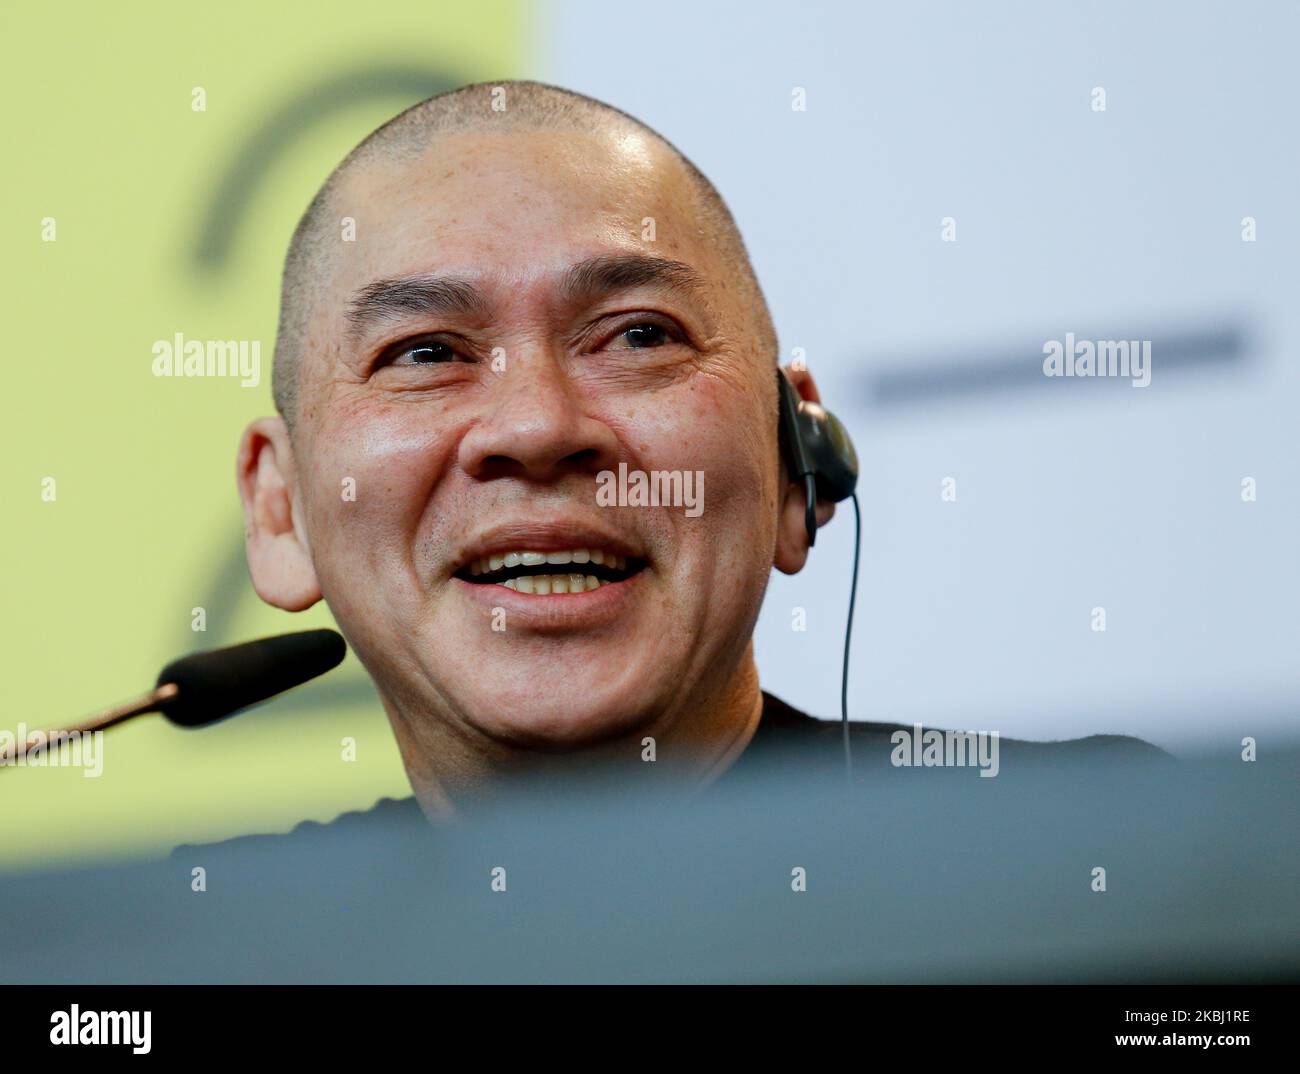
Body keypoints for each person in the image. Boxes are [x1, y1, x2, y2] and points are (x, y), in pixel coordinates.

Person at [231, 80, 1165, 836]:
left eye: (637, 336)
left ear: (797, 465)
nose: (538, 427)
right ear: (282, 513)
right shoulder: (178, 951)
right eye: (427, 353)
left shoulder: (1112, 851)